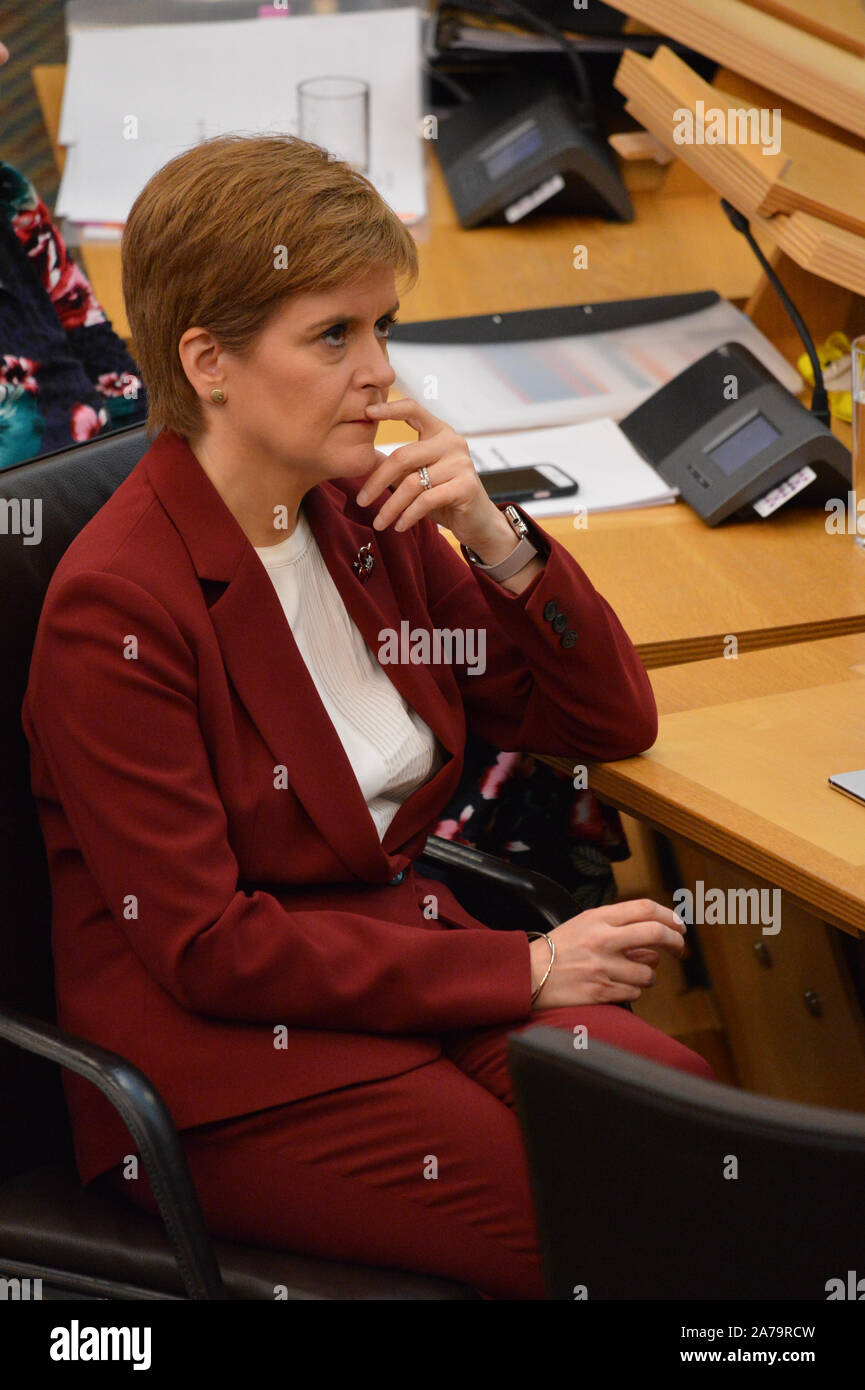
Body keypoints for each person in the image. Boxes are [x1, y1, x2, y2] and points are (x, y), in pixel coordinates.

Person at [22, 133, 715, 1301]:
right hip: (233, 1066)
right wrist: (526, 964)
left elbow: (606, 718)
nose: (382, 374)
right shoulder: (117, 607)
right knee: (622, 1235)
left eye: (382, 327)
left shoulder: (360, 517)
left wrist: (496, 540)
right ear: (209, 362)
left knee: (716, 1165)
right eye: (334, 336)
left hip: (409, 972)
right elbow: (207, 947)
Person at [0, 38, 147, 467]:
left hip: (99, 482)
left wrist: (161, 447)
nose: (5, 52)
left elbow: (107, 361)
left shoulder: (10, 198)